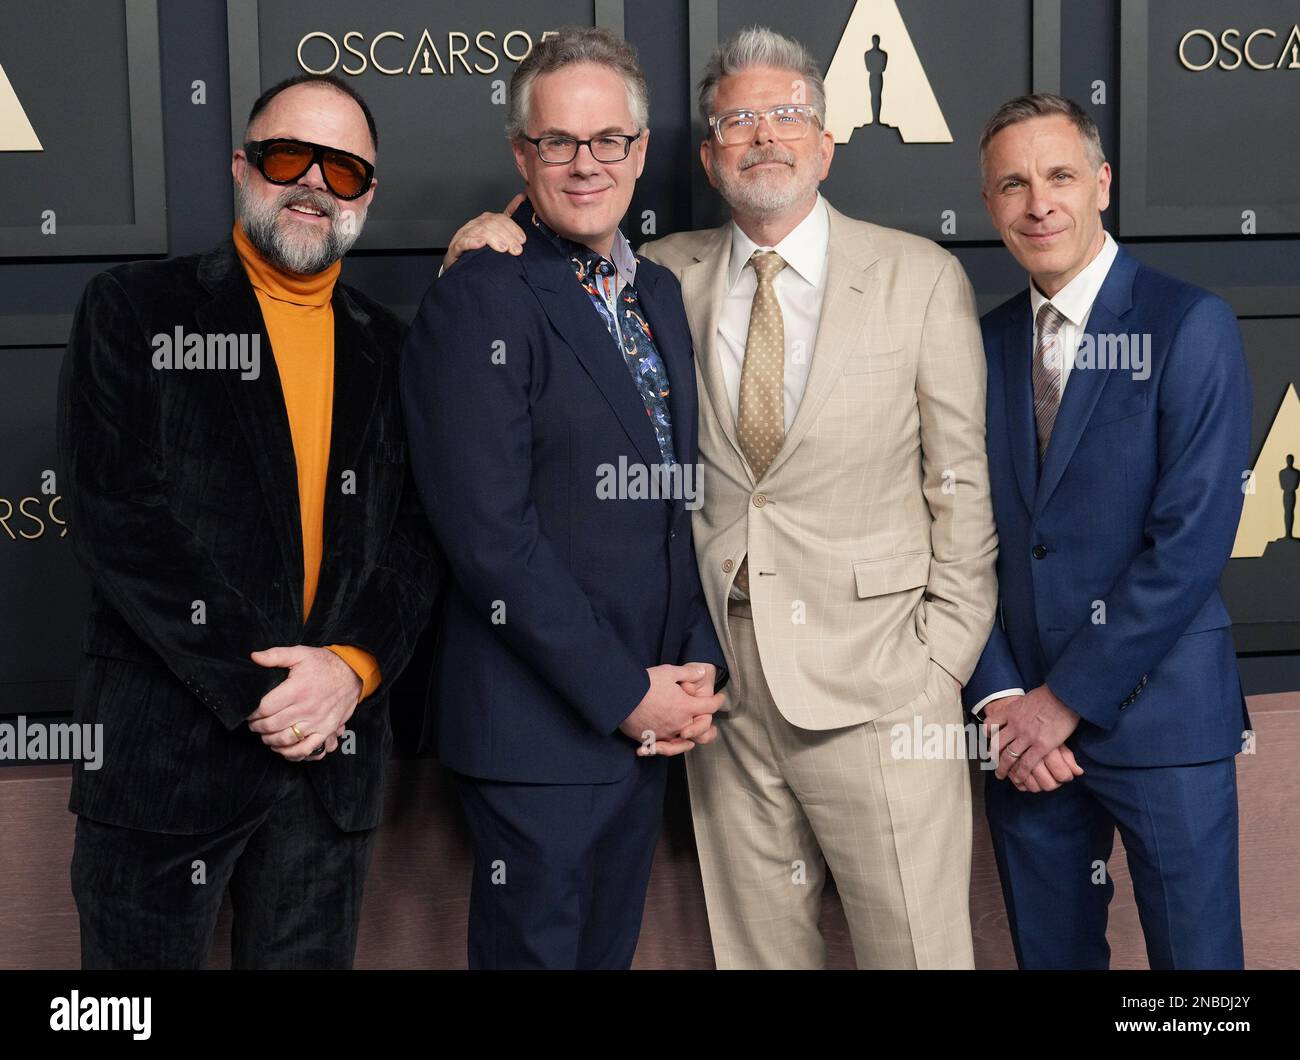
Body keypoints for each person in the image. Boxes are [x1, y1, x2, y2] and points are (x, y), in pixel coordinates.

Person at [439, 26, 997, 969]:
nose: (765, 137)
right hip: (722, 703)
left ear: (827, 141)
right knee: (759, 957)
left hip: (881, 696)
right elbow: (559, 234)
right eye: (739, 119)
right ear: (705, 154)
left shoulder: (919, 277)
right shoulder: (665, 278)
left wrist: (938, 667)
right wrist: (487, 230)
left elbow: (962, 487)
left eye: (789, 115)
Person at [58, 73, 440, 969]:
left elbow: (419, 538)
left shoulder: (394, 347)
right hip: (165, 762)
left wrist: (349, 670)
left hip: (330, 768)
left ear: (367, 194)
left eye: (344, 170)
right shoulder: (135, 308)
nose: (314, 181)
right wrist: (266, 686)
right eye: (287, 157)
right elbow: (118, 518)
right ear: (241, 168)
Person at [399, 27, 726, 970]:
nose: (586, 165)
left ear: (640, 151)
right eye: (558, 143)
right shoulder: (482, 297)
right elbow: (490, 540)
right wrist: (626, 694)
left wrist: (694, 668)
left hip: (650, 720)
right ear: (521, 154)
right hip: (539, 729)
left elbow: (677, 501)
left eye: (608, 141)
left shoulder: (657, 292)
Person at [968, 92, 1252, 969]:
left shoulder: (1187, 323)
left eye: (1058, 176)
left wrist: (1065, 702)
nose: (1037, 202)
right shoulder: (979, 342)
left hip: (1161, 717)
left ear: (1102, 183)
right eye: (1011, 184)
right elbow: (954, 537)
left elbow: (1192, 539)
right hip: (1023, 739)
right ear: (989, 205)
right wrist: (1005, 701)